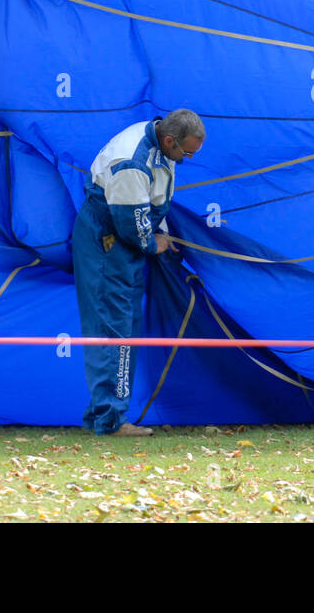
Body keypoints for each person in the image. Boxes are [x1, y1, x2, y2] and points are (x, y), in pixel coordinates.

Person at [71, 108, 206, 436]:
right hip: (108, 243)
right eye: (185, 152)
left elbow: (151, 201)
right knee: (113, 328)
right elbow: (132, 224)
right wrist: (155, 243)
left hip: (121, 242)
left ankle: (101, 415)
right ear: (170, 139)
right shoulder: (132, 161)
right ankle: (110, 420)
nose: (186, 160)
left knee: (123, 325)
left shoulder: (160, 142)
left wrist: (159, 230)